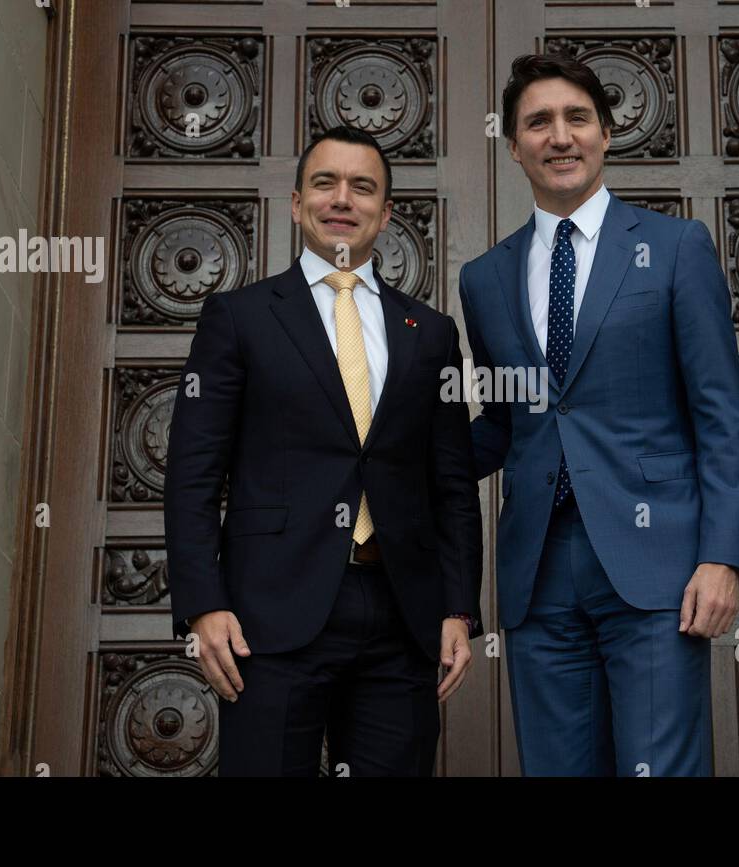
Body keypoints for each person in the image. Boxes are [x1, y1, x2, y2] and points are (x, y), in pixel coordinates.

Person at [458, 54, 739, 776]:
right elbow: (503, 424)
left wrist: (723, 556)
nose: (559, 137)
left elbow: (718, 412)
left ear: (606, 133)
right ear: (514, 144)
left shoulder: (676, 247)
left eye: (576, 118)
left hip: (658, 565)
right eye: (538, 122)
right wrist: (384, 452)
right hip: (537, 572)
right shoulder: (484, 277)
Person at [165, 125, 483, 776]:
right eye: (325, 183)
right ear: (296, 202)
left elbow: (450, 482)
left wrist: (458, 606)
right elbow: (193, 472)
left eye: (362, 187)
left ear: (386, 212)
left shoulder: (431, 334)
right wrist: (203, 602)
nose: (343, 198)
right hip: (267, 616)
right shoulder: (239, 317)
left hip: (404, 617)